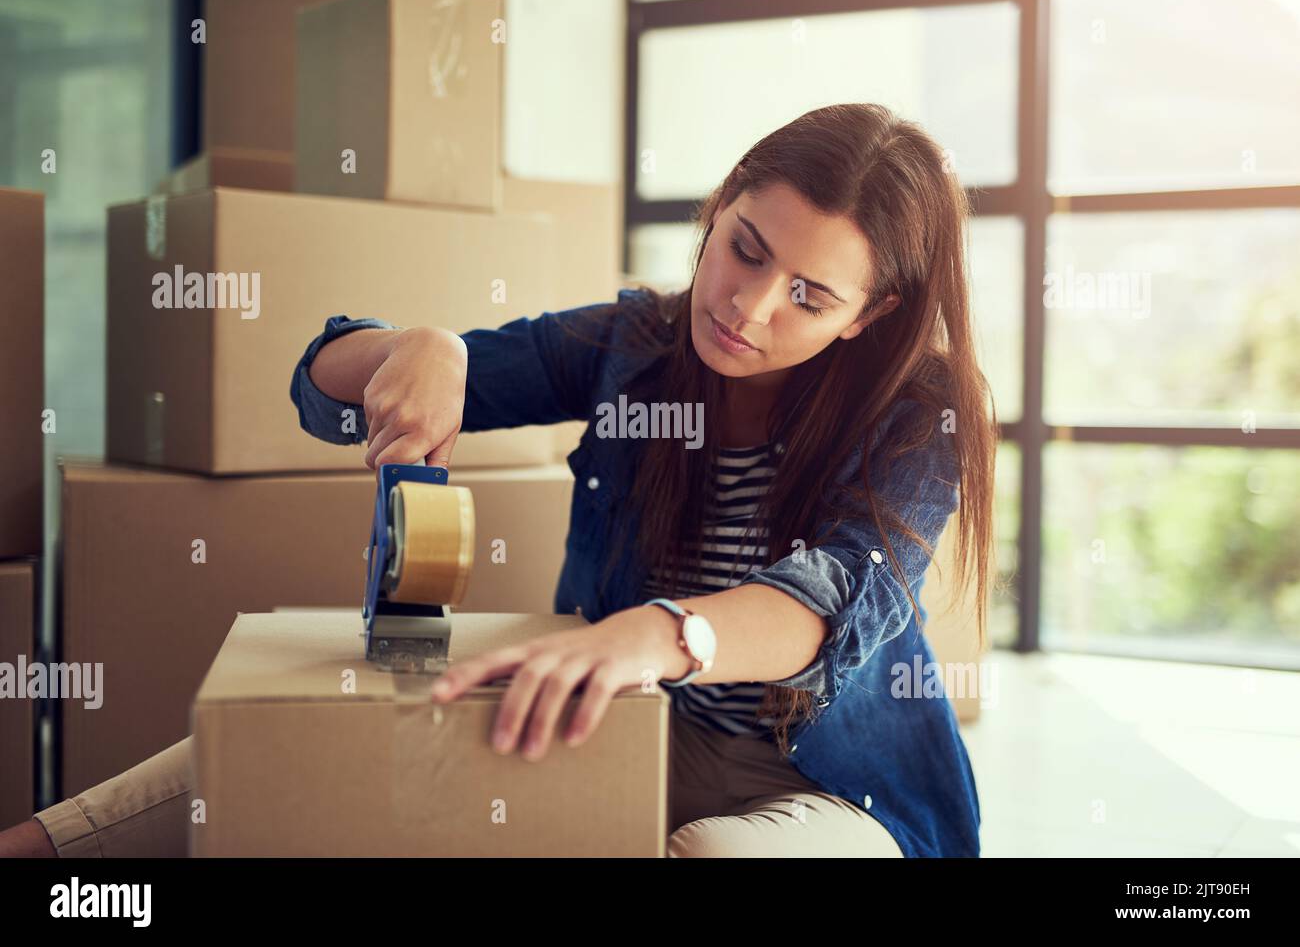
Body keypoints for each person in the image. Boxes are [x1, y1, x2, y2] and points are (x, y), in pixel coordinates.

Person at [1, 102, 994, 858]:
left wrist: (664, 632)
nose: (747, 305)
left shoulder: (918, 415)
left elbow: (839, 595)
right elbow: (322, 381)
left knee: (714, 854)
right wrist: (425, 350)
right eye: (744, 247)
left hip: (829, 788)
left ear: (867, 315)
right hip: (637, 730)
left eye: (809, 296)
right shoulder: (634, 345)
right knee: (315, 735)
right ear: (724, 201)